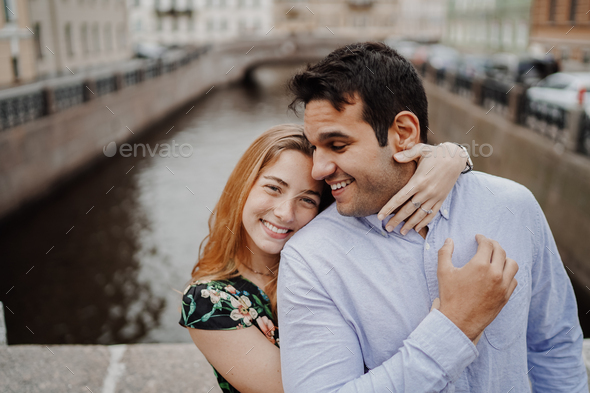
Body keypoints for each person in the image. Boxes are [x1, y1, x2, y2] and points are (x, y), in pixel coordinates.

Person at [277, 41, 588, 392]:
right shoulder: (310, 259)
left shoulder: (513, 207)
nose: (318, 169)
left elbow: (554, 345)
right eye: (315, 147)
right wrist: (455, 326)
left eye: (337, 145)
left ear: (404, 133)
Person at [178, 123, 474, 393]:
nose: (284, 213)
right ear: (244, 185)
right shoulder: (208, 302)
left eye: (307, 199)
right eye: (273, 188)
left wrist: (452, 155)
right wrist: (453, 327)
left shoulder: (326, 264)